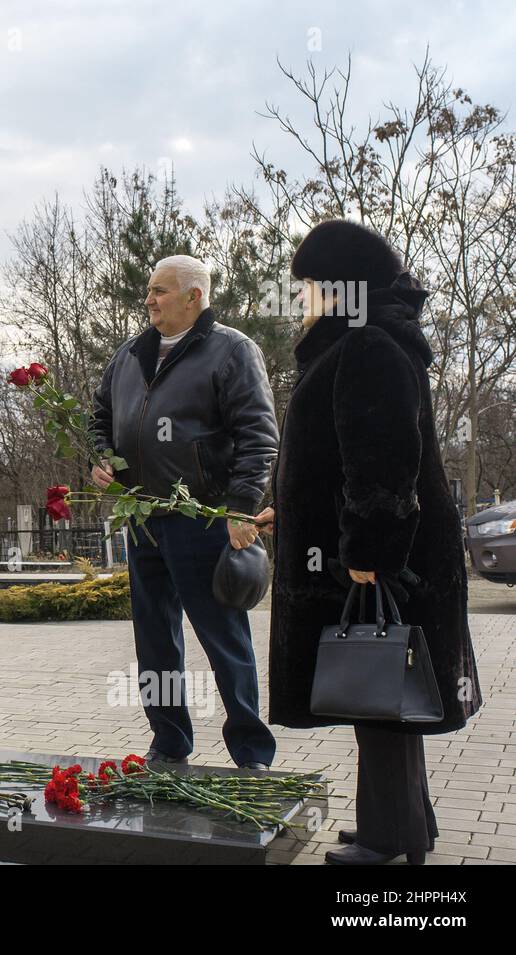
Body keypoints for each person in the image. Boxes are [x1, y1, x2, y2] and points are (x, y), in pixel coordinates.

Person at [253, 219, 483, 865]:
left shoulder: (367, 344)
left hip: (377, 559)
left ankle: (389, 838)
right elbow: (336, 454)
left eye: (307, 284)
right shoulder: (363, 341)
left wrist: (369, 555)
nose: (300, 297)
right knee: (383, 694)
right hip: (364, 554)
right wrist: (286, 508)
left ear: (339, 285)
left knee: (381, 696)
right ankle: (408, 823)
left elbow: (382, 462)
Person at [92, 254, 278, 769]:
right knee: (155, 642)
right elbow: (98, 418)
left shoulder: (232, 351)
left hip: (204, 519)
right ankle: (169, 743)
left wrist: (240, 509)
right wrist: (102, 458)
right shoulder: (129, 356)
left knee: (224, 638)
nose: (148, 299)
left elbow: (259, 435)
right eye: (149, 290)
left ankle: (251, 752)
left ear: (194, 296)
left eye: (160, 290)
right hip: (142, 518)